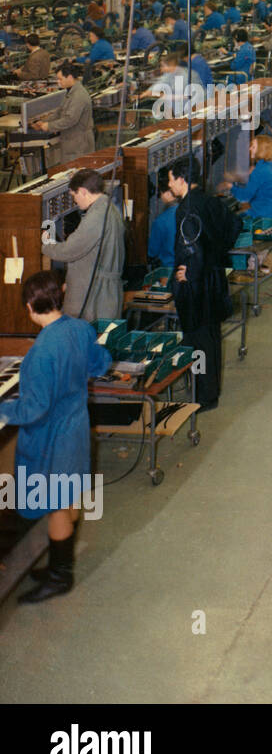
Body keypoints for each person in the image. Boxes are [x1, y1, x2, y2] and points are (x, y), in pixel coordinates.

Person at [0, 271, 112, 603]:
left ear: (31, 306)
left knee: (58, 506)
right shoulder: (80, 328)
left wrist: (4, 410)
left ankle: (60, 576)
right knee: (69, 497)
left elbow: (33, 409)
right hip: (76, 429)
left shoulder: (39, 353)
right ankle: (58, 563)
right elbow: (100, 363)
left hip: (52, 440)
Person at [168, 156, 241, 410]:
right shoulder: (211, 201)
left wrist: (191, 272)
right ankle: (211, 390)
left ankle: (202, 397)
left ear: (181, 179)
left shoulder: (186, 209)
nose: (170, 186)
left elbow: (192, 247)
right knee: (210, 337)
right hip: (214, 280)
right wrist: (216, 256)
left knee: (197, 342)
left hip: (197, 287)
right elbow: (235, 224)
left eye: (170, 180)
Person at [41, 168, 125, 322]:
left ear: (83, 191)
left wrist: (46, 245)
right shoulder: (110, 208)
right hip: (105, 292)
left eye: (74, 196)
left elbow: (69, 251)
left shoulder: (96, 217)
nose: (75, 201)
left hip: (95, 296)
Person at [32, 62, 94, 164]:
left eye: (60, 79)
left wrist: (49, 126)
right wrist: (43, 122)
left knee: (77, 171)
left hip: (78, 142)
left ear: (69, 77)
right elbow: (60, 112)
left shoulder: (78, 95)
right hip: (72, 140)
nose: (58, 82)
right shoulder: (70, 92)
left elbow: (70, 119)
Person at [221, 135, 272, 219]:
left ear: (261, 150)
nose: (250, 149)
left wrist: (230, 186)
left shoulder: (259, 171)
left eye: (253, 147)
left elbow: (244, 197)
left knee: (230, 222)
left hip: (264, 218)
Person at [148, 184, 178, 269]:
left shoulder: (161, 221)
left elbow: (152, 251)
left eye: (161, 194)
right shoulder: (188, 213)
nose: (161, 198)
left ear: (167, 194)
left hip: (168, 269)